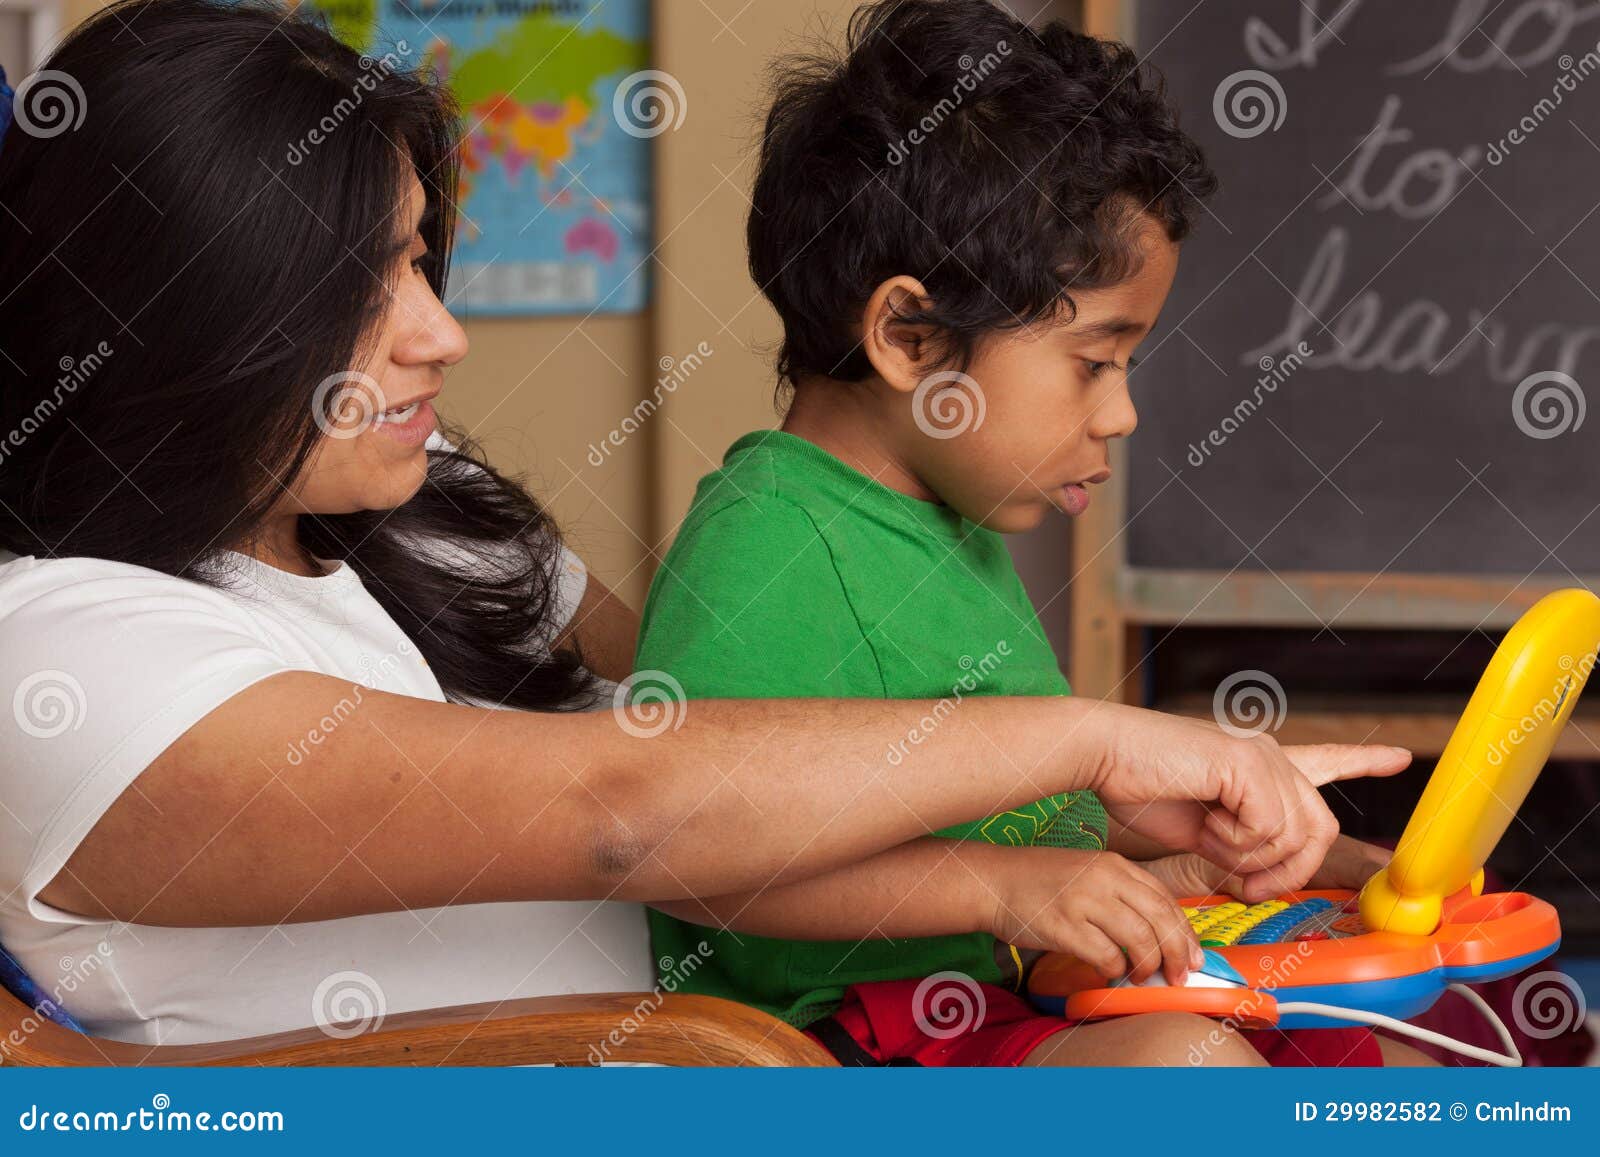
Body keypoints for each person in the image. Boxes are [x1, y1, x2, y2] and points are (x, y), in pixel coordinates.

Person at [0, 0, 1398, 1051]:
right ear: (186, 316)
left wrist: (1100, 825)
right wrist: (1099, 744)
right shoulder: (57, 655)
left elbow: (768, 731)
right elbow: (628, 804)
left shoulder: (431, 528)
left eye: (425, 261)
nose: (444, 333)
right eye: (367, 287)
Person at [636, 0, 1419, 1067]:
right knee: (1181, 1071)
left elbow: (1014, 810)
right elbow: (700, 852)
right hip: (852, 1040)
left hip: (1009, 996)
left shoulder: (952, 521)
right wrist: (1013, 890)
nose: (1120, 413)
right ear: (910, 337)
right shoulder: (766, 544)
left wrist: (1240, 839)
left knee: (1424, 1037)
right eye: (1094, 362)